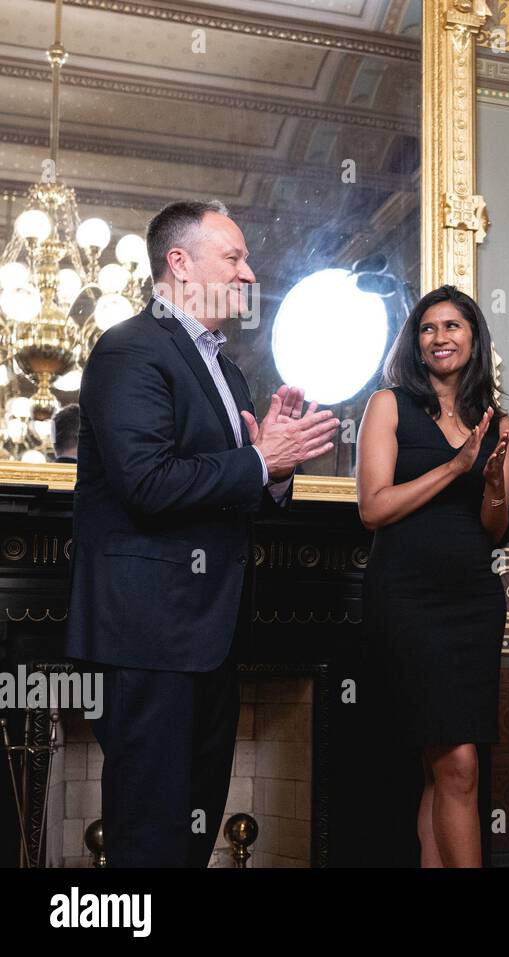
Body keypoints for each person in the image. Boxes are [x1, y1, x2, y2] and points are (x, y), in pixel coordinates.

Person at [65, 199, 339, 867]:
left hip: (211, 637)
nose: (250, 273)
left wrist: (272, 469)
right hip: (148, 636)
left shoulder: (228, 369)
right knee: (149, 836)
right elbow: (148, 485)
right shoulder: (129, 348)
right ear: (180, 264)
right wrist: (257, 459)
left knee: (192, 833)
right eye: (235, 257)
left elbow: (239, 494)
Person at [357, 285, 509, 868]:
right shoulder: (389, 405)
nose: (440, 337)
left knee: (441, 769)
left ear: (474, 339)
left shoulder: (497, 423)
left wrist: (493, 483)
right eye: (428, 328)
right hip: (407, 602)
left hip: (473, 602)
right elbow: (373, 508)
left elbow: (494, 528)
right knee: (458, 763)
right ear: (415, 343)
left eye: (453, 326)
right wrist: (456, 467)